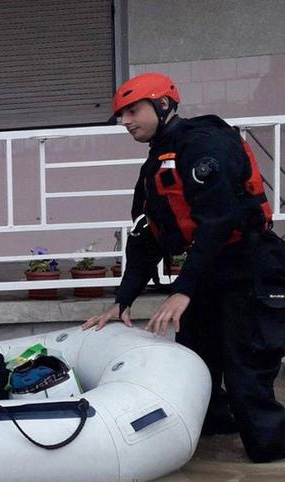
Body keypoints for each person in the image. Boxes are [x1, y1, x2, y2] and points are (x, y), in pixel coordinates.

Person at [83, 72, 285, 462]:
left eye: (133, 111)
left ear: (164, 105)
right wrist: (122, 300)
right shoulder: (156, 163)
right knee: (198, 364)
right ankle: (213, 445)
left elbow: (219, 220)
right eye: (121, 115)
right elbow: (149, 236)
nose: (125, 121)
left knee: (246, 371)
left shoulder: (205, 145)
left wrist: (183, 290)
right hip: (207, 269)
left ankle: (271, 458)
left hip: (249, 265)